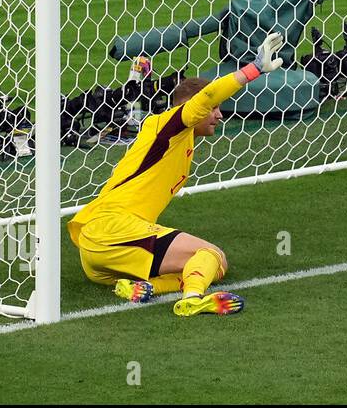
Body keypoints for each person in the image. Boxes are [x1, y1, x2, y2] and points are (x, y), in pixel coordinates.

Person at [66, 32, 287, 317]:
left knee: (208, 268)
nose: (219, 115)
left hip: (97, 254)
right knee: (211, 256)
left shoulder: (177, 140)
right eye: (214, 109)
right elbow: (206, 98)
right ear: (193, 109)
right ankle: (193, 299)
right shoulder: (167, 124)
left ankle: (148, 288)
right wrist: (253, 70)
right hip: (113, 229)